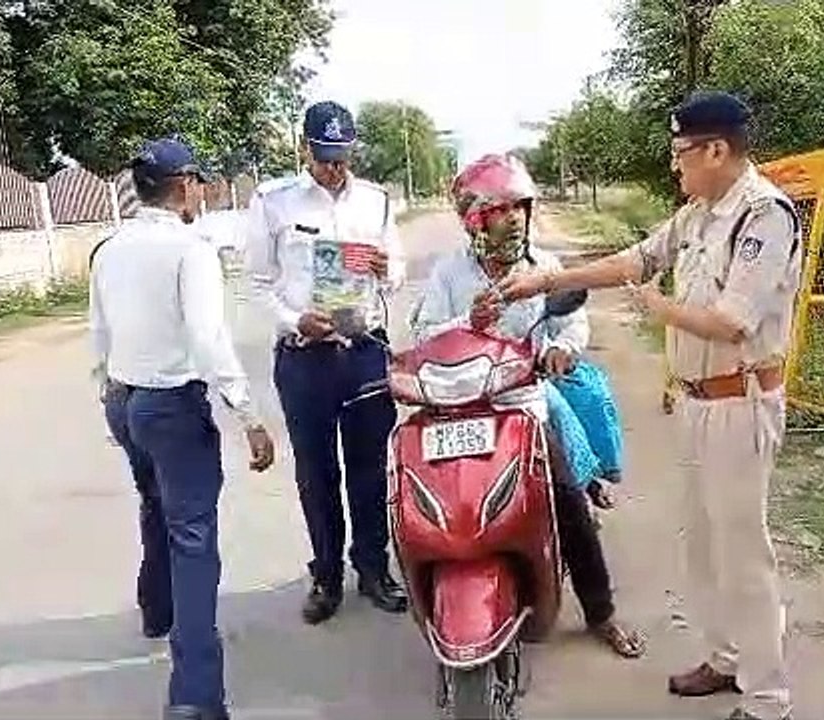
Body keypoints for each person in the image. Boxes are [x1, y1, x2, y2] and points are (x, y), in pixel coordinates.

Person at [494, 92, 800, 720]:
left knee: (744, 554)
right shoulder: (700, 213)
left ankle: (768, 698)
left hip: (740, 405)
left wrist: (654, 307)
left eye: (681, 153)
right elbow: (636, 260)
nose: (675, 166)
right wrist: (549, 280)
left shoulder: (764, 216)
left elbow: (730, 321)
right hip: (696, 404)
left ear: (717, 149)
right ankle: (724, 659)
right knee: (704, 547)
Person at [410, 152, 646, 658]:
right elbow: (422, 333)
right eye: (501, 208)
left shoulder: (545, 267)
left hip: (523, 404)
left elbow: (571, 322)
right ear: (476, 218)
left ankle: (600, 613)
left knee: (567, 502)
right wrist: (466, 322)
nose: (514, 216)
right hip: (460, 407)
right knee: (422, 491)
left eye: (520, 206)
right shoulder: (450, 273)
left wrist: (563, 348)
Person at [90, 136, 276, 720]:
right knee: (193, 539)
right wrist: (248, 415)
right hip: (171, 403)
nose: (202, 191)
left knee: (153, 502)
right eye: (199, 181)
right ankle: (195, 694)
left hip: (124, 400)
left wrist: (110, 394)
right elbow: (208, 339)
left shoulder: (110, 247)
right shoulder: (189, 250)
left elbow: (99, 331)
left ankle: (157, 609)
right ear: (184, 186)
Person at [244, 101, 408, 624]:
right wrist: (295, 321)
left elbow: (397, 271)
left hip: (363, 353)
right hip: (304, 359)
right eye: (324, 157)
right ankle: (327, 575)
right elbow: (257, 282)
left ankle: (374, 569)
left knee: (368, 471)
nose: (333, 168)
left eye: (341, 157)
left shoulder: (376, 202)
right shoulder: (273, 203)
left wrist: (388, 268)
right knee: (316, 474)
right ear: (305, 149)